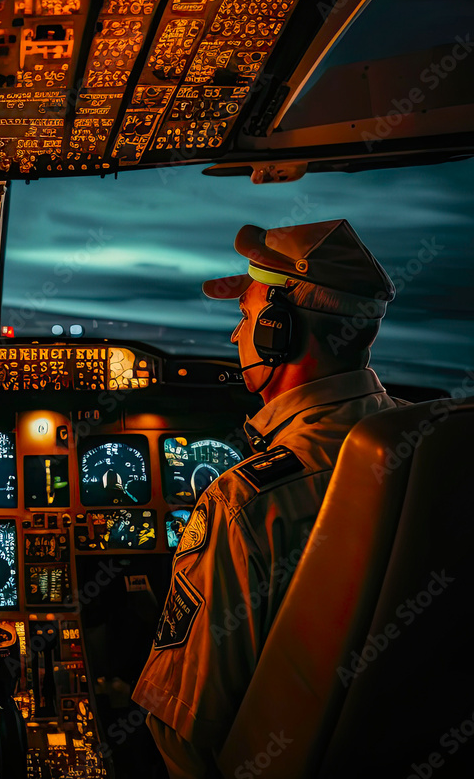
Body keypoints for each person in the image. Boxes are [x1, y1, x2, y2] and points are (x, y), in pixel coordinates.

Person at [132, 219, 405, 777]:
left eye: (245, 317)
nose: (235, 337)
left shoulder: (244, 504)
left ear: (277, 332)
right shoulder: (431, 443)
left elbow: (181, 730)